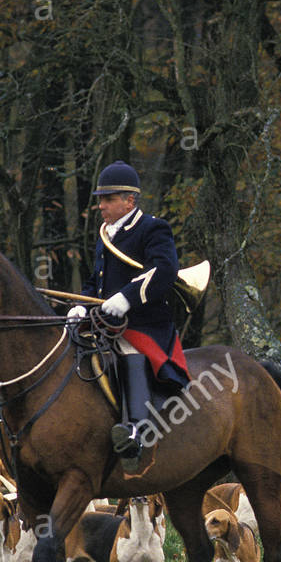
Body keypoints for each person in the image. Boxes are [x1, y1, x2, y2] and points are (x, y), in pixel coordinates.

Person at [79, 160, 190, 461]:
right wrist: (81, 304)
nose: (101, 205)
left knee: (128, 349)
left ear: (130, 200)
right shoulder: (106, 234)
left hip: (142, 323)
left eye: (108, 199)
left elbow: (165, 270)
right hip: (106, 320)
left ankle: (136, 431)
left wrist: (127, 298)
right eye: (100, 199)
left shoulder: (153, 228)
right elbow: (96, 281)